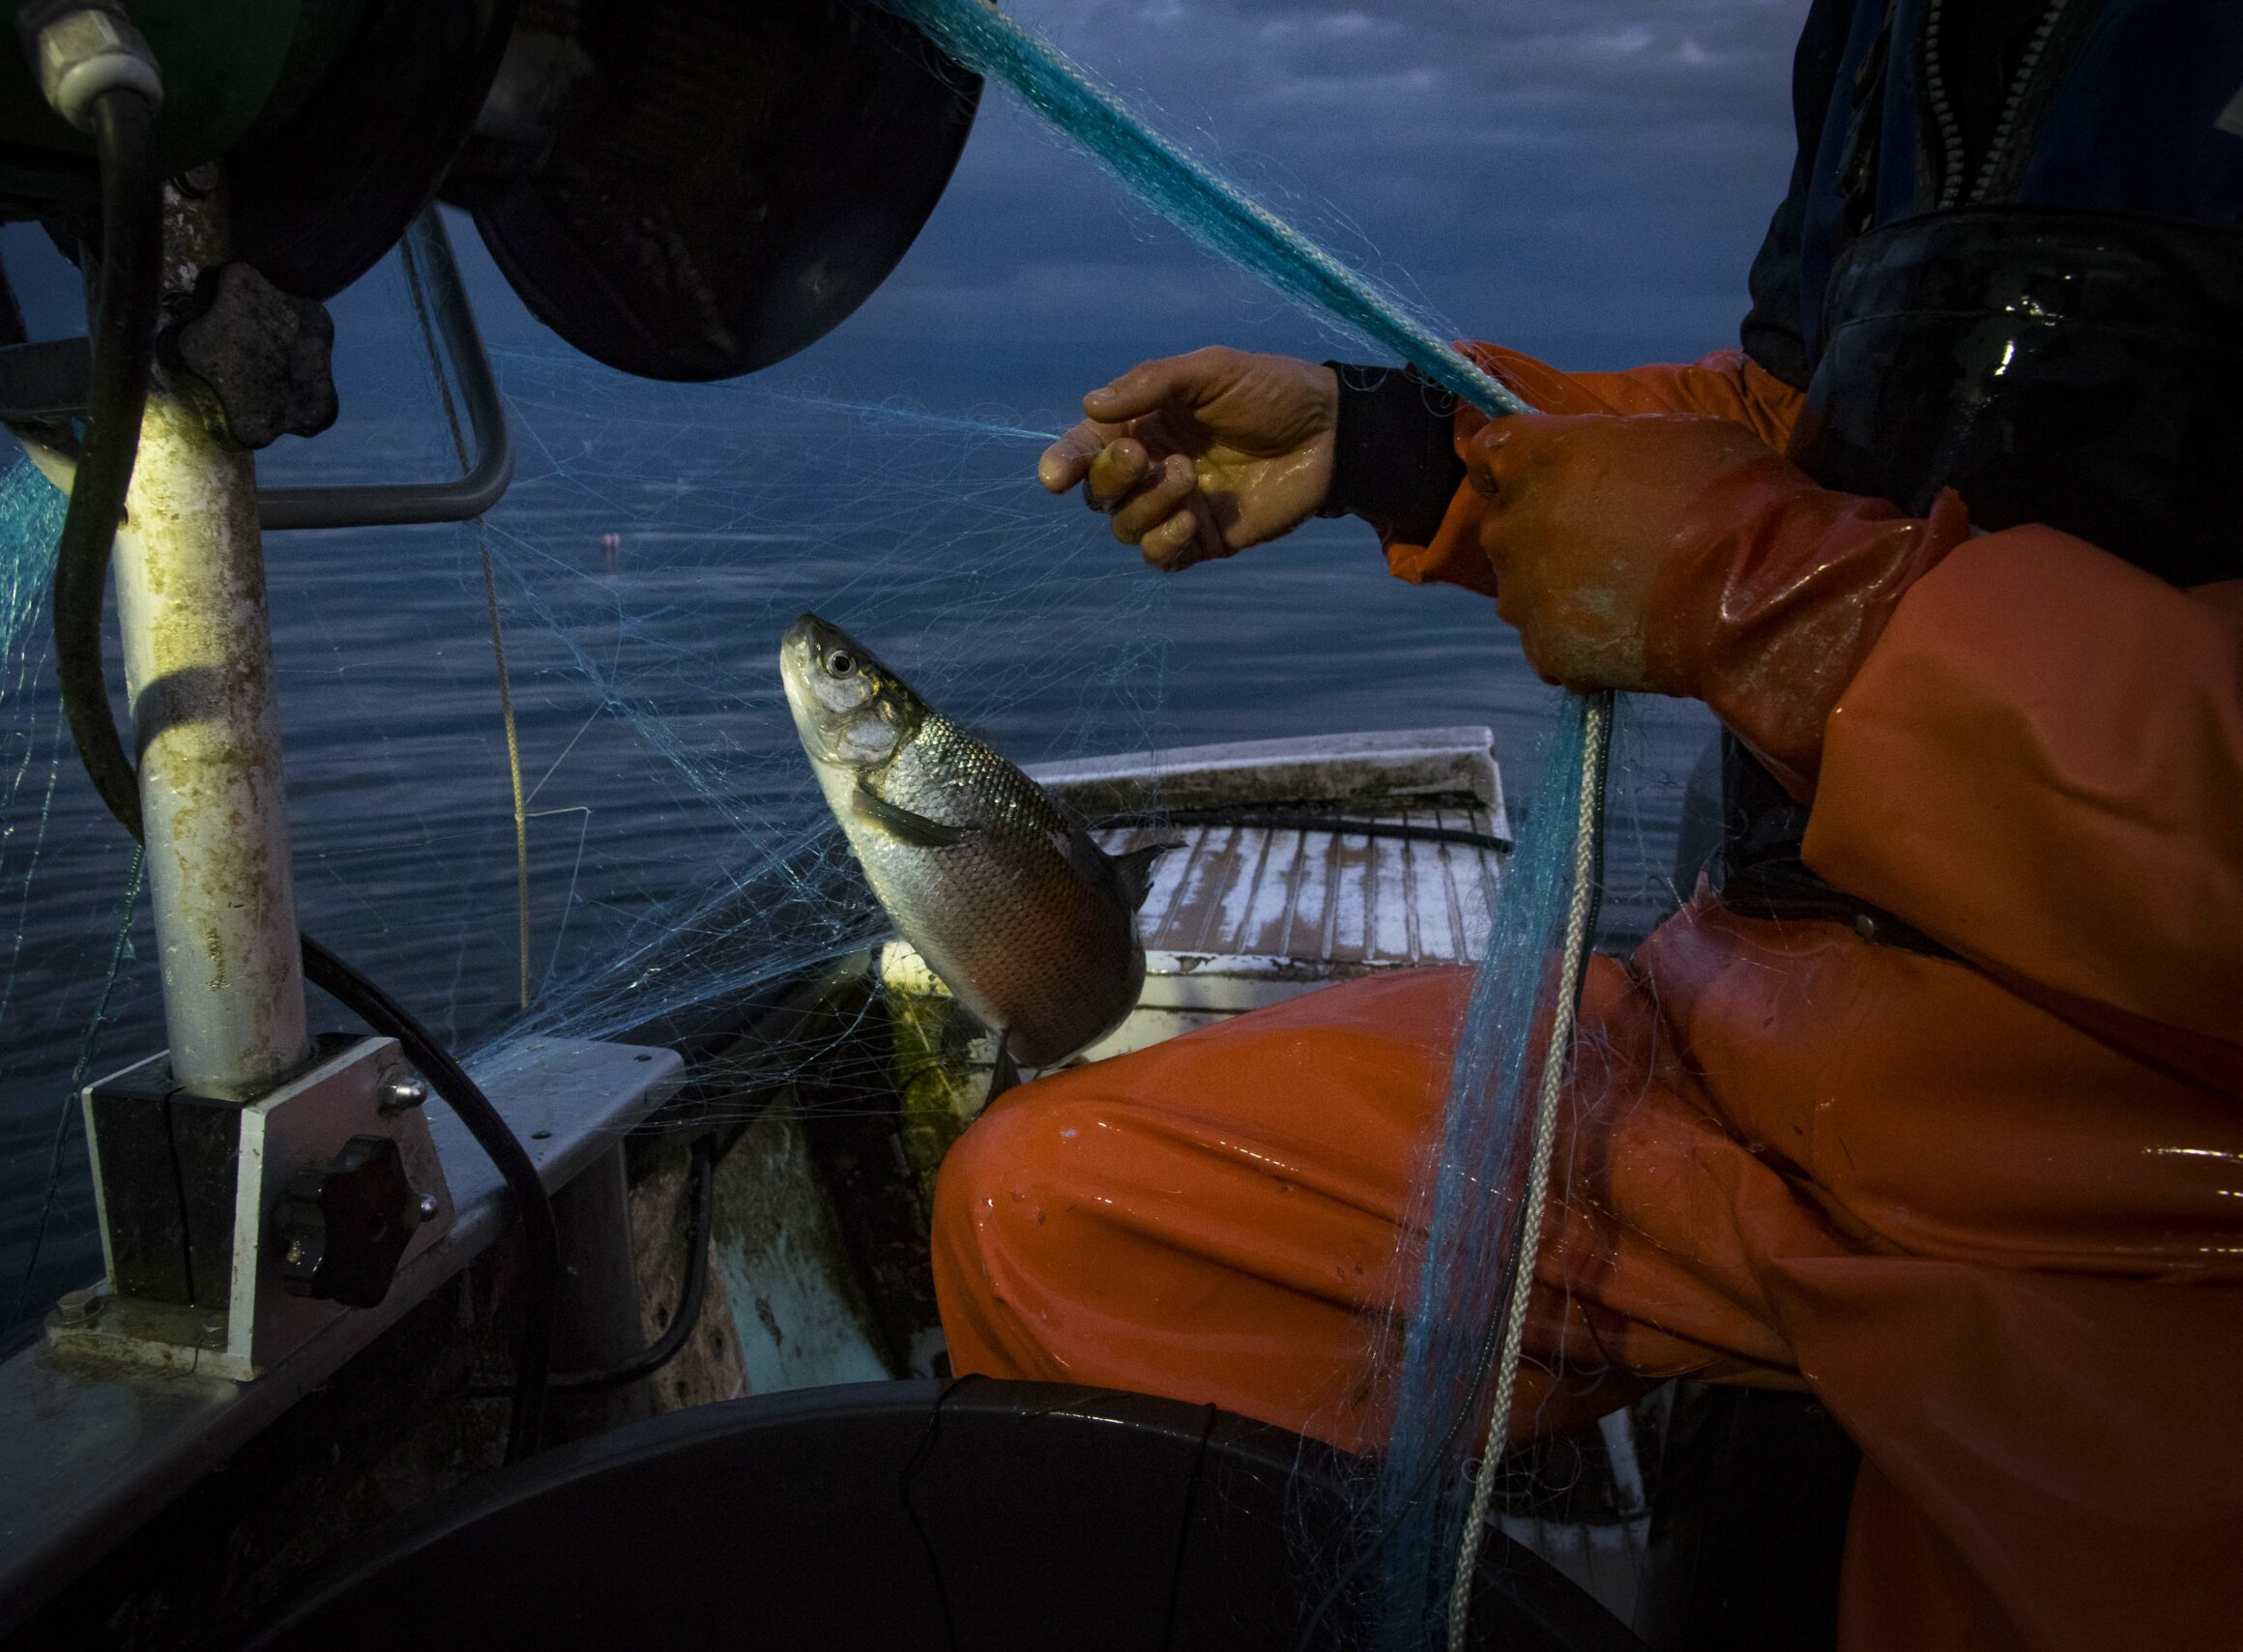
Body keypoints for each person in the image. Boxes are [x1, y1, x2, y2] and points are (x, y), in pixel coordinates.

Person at [928, 2, 2243, 1647]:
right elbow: (1794, 417)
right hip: (1756, 1041)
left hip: (2147, 1188)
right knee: (1052, 1221)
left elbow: (1767, 543)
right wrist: (1398, 448)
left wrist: (1778, 601)